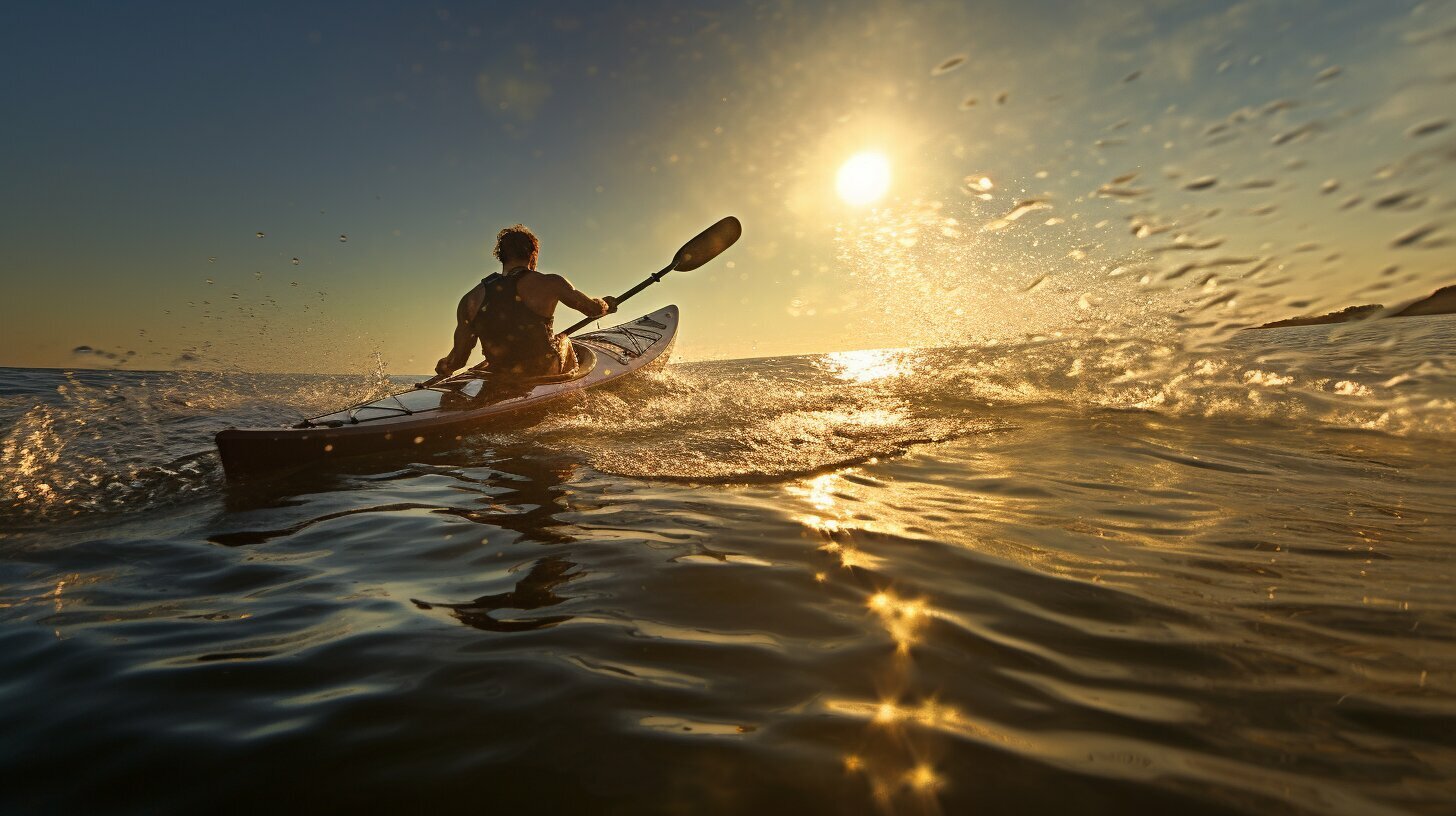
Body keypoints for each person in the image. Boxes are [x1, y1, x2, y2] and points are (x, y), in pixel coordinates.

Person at [435, 224, 616, 379]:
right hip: (542, 372)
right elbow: (592, 310)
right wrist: (605, 304)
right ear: (532, 254)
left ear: (501, 256)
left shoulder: (471, 299)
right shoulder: (551, 283)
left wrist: (446, 366)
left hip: (501, 373)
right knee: (563, 340)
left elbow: (458, 360)